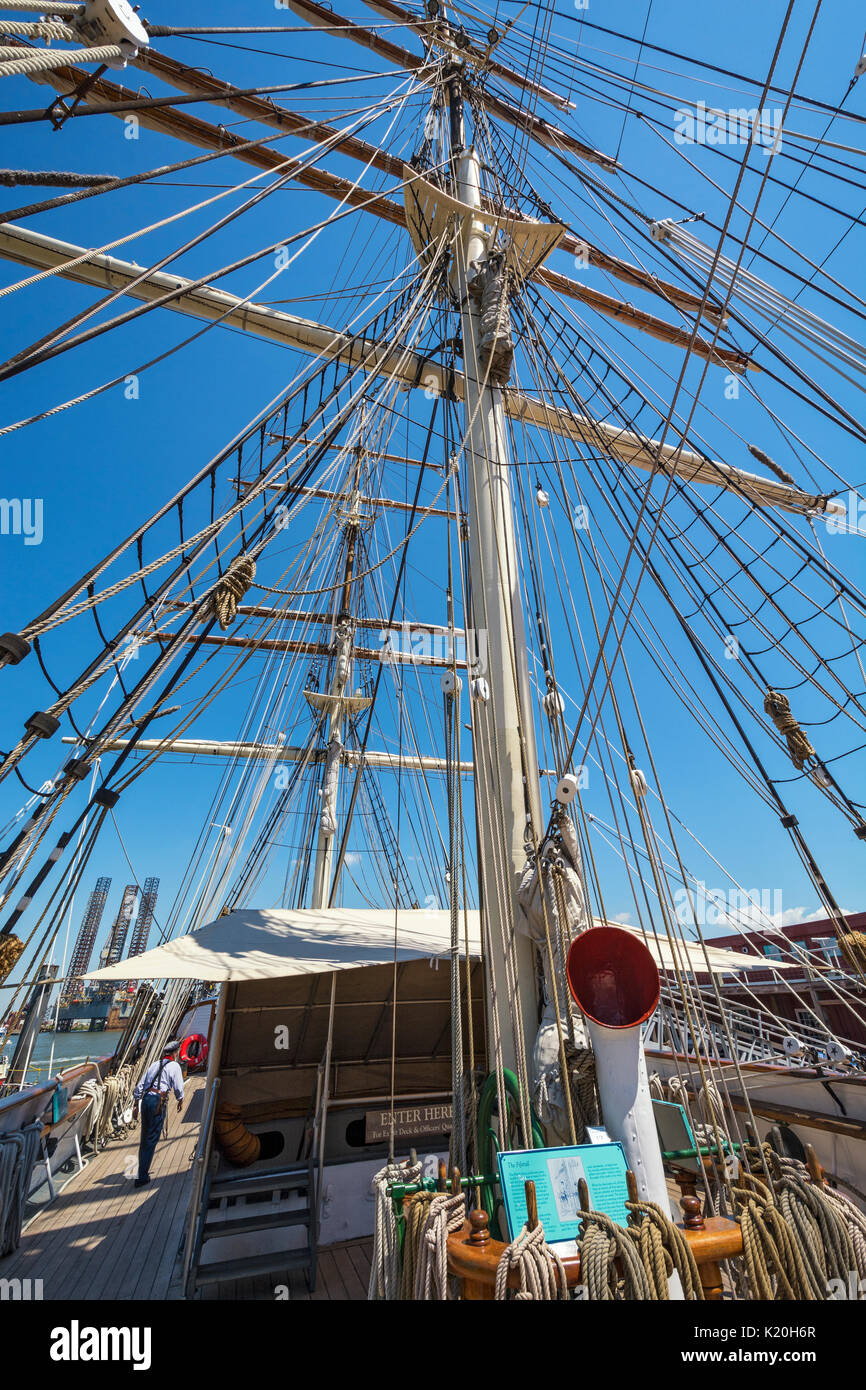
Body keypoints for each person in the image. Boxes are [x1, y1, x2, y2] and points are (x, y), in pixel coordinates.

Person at [131, 1039, 184, 1188]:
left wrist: (136, 1104)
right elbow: (179, 1087)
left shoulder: (154, 1064)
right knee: (152, 1138)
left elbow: (141, 1085)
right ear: (175, 1053)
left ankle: (142, 1170)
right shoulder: (174, 1066)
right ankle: (142, 1177)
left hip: (147, 1099)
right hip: (157, 1102)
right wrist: (180, 1100)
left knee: (145, 1136)